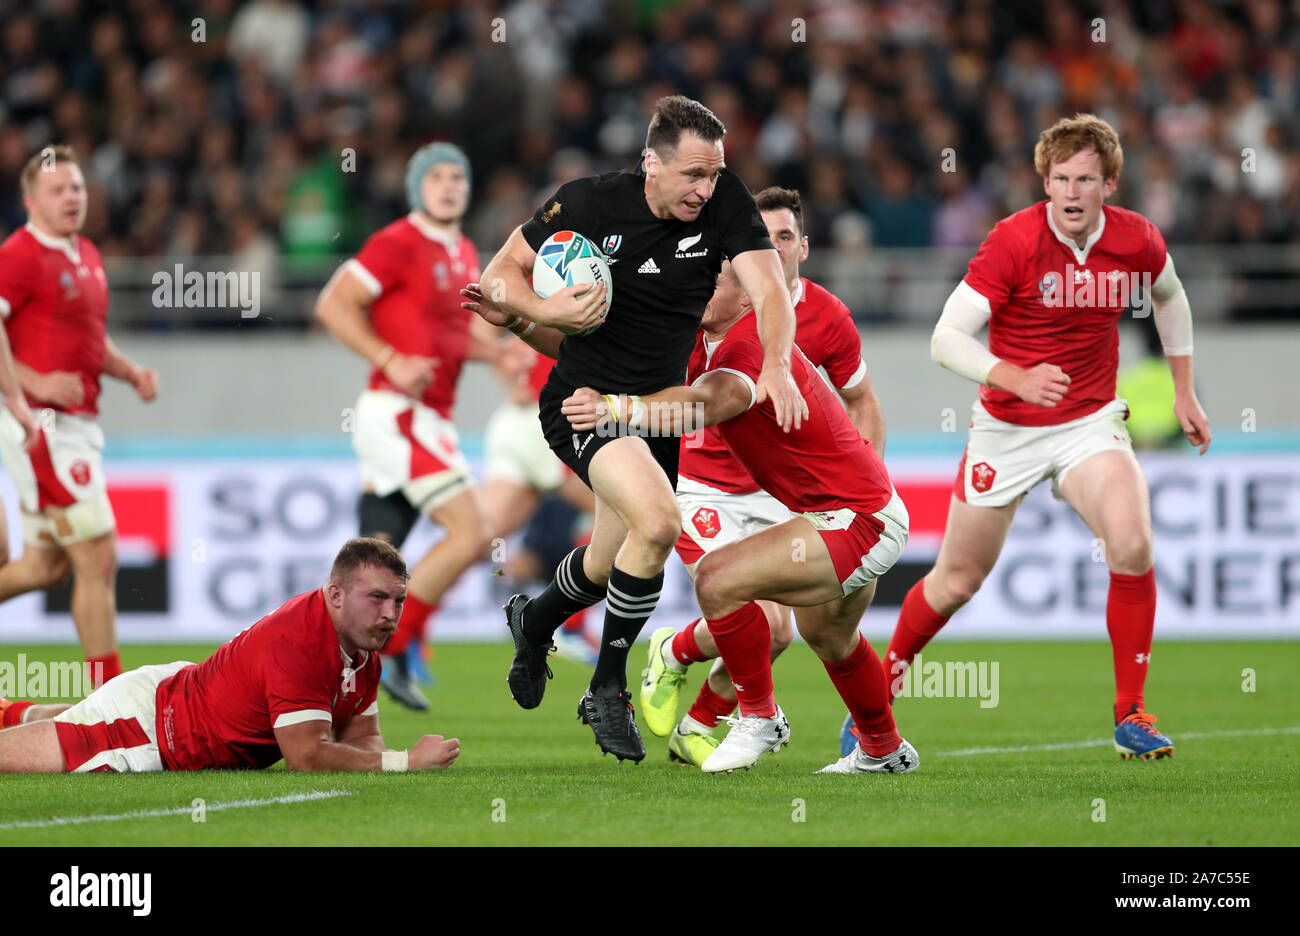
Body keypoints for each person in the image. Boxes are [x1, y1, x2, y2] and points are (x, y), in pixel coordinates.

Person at [467, 95, 806, 762]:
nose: (705, 190)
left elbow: (768, 291)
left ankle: (533, 622)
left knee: (606, 561)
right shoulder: (589, 205)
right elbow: (497, 277)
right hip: (585, 403)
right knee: (658, 523)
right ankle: (606, 687)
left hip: (659, 409)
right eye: (692, 176)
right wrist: (543, 307)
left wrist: (777, 364)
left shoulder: (726, 203)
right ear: (652, 163)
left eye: (714, 175)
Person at [874, 114, 1211, 761]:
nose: (1072, 192)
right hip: (1006, 428)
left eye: (1086, 178)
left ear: (1109, 184)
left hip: (1088, 424)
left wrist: (1184, 388)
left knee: (1133, 542)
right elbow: (946, 338)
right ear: (1045, 182)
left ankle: (1130, 713)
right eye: (1060, 178)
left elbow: (1170, 297)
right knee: (956, 582)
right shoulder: (1013, 241)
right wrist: (1013, 376)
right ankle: (875, 701)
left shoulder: (1137, 240)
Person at [562, 259, 914, 775]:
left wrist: (619, 409)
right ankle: (884, 750)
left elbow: (711, 402)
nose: (699, 286)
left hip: (857, 519)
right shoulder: (707, 337)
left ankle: (757, 717)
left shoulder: (748, 343)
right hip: (839, 511)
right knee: (831, 639)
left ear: (748, 298)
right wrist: (524, 320)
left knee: (719, 580)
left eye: (715, 281)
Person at [638, 186, 888, 767]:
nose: (770, 249)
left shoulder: (825, 315)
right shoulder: (705, 303)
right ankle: (741, 716)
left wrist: (862, 484)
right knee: (752, 612)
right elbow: (695, 399)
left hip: (781, 493)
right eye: (760, 238)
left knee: (780, 633)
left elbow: (862, 402)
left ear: (802, 246)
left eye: (782, 238)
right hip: (700, 483)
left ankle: (692, 700)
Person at [0, 537, 461, 774]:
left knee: (69, 718)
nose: (390, 614)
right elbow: (305, 756)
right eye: (378, 598)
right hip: (152, 733)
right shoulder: (301, 642)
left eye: (398, 601)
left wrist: (383, 763)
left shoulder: (362, 648)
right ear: (336, 594)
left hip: (166, 693)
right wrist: (405, 762)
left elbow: (361, 737)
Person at [315, 142, 499, 711]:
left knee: (374, 556)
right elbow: (332, 303)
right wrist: (391, 359)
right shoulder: (398, 241)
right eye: (437, 176)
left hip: (425, 418)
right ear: (418, 186)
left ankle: (323, 675)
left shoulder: (464, 250)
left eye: (458, 177)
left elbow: (453, 335)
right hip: (397, 413)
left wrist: (505, 355)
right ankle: (397, 644)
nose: (448, 186)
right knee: (472, 532)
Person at [0, 145, 159, 690]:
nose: (72, 197)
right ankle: (111, 699)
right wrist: (33, 385)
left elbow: (90, 341)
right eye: (58, 190)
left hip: (77, 424)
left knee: (46, 567)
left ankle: (104, 696)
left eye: (78, 188)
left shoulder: (85, 252)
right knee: (98, 556)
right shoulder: (19, 254)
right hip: (38, 425)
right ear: (30, 200)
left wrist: (128, 370)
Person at [480, 339, 597, 664]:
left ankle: (405, 632)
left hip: (518, 421)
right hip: (541, 423)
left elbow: (485, 336)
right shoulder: (551, 312)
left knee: (476, 537)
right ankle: (563, 625)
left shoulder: (523, 312)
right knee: (618, 514)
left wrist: (507, 371)